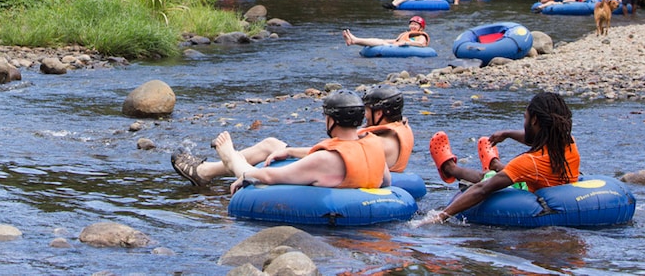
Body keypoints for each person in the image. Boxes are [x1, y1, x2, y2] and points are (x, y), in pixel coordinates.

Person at [170, 90, 390, 193]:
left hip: (324, 196)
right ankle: (205, 171)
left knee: (246, 169)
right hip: (354, 192)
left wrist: (234, 160)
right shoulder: (374, 145)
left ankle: (227, 158)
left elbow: (267, 177)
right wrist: (291, 151)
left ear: (332, 120)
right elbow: (386, 181)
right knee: (272, 145)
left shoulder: (324, 160)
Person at [418, 91, 580, 225]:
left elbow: (483, 189)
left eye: (525, 117)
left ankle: (450, 169)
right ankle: (494, 163)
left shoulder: (530, 162)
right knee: (509, 172)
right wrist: (507, 134)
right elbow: (537, 138)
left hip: (531, 197)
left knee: (488, 176)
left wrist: (440, 216)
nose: (524, 122)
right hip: (553, 191)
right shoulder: (568, 142)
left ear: (535, 120)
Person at [360, 85, 414, 172]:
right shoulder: (404, 126)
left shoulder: (379, 144)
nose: (365, 115)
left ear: (379, 114)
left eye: (367, 110)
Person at [343, 16, 430, 48]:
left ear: (421, 28)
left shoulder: (421, 36)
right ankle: (354, 41)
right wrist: (384, 40)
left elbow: (421, 44)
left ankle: (354, 40)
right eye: (411, 24)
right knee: (380, 41)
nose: (413, 26)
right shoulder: (405, 34)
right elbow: (396, 41)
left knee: (381, 43)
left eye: (415, 25)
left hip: (405, 48)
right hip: (397, 46)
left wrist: (407, 43)